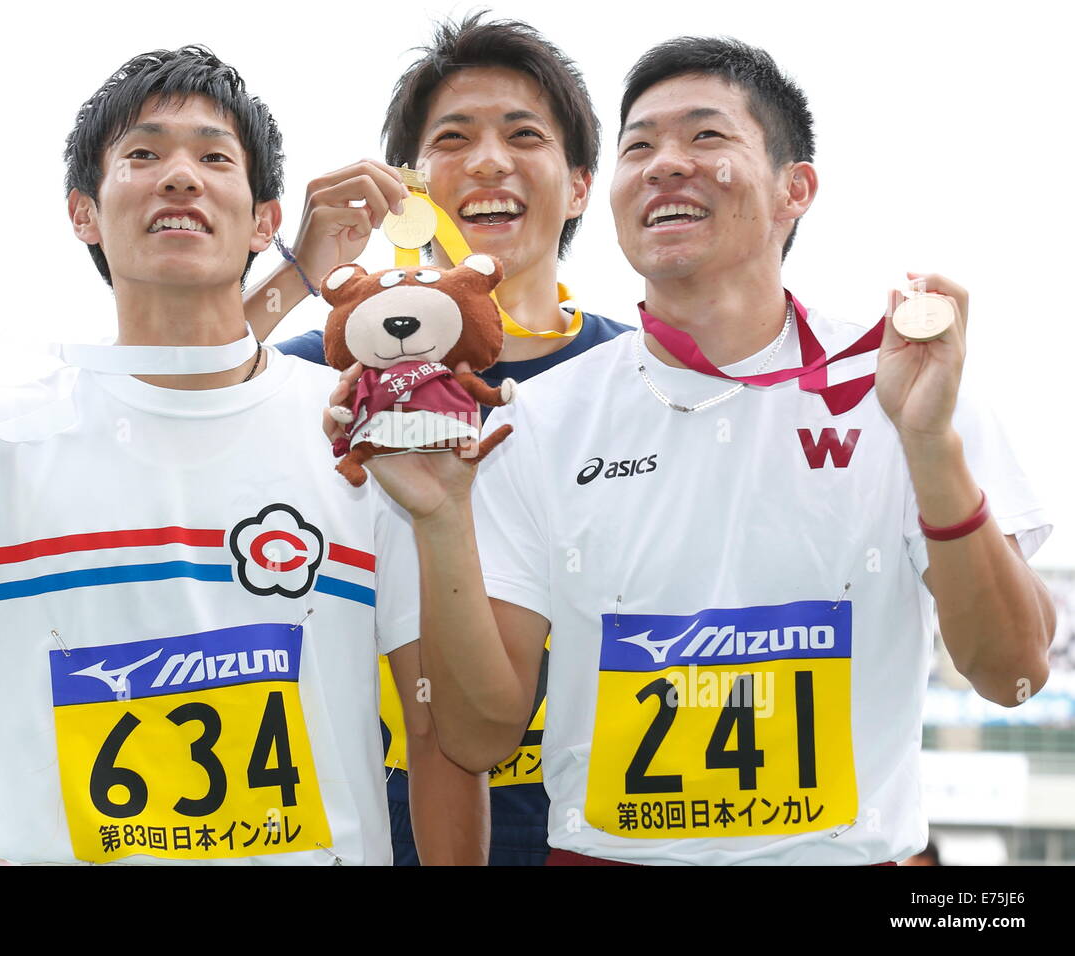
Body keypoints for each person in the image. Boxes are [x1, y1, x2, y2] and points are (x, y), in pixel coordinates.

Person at [356, 35, 1057, 865]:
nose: (664, 165)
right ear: (607, 191)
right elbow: (477, 737)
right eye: (639, 146)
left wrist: (931, 447)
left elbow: (1013, 673)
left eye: (707, 137)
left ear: (795, 188)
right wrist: (441, 519)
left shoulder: (903, 388)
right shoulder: (538, 421)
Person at [0, 44, 480, 866]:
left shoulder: (352, 426)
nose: (181, 176)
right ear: (82, 212)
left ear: (267, 220)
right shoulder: (0, 433)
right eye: (144, 153)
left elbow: (439, 725)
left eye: (214, 156)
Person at [248, 13, 631, 866]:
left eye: (523, 135)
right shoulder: (334, 372)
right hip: (369, 820)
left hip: (603, 827)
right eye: (453, 138)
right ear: (409, 188)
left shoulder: (632, 374)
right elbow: (181, 390)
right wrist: (300, 272)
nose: (490, 160)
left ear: (577, 186)